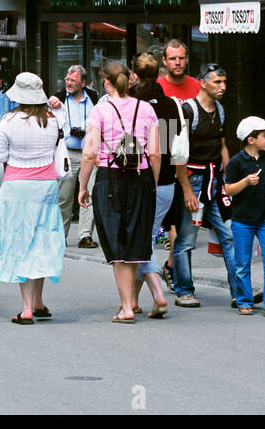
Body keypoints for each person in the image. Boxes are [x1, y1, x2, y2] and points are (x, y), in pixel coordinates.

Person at [78, 59, 163, 323]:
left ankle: (126, 306)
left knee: (116, 243)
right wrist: (153, 183)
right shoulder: (147, 109)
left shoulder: (100, 111)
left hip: (110, 177)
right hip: (141, 177)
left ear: (106, 82)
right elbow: (156, 152)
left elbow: (90, 153)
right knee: (136, 240)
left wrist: (82, 185)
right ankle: (129, 303)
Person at [0, 72, 67, 324]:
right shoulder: (52, 121)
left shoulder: (9, 121)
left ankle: (27, 308)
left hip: (16, 185)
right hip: (46, 185)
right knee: (41, 238)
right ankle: (39, 302)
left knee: (21, 241)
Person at [171, 63, 242, 309]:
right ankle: (184, 290)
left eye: (224, 82)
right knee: (187, 238)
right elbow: (177, 153)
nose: (223, 87)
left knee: (230, 236)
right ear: (203, 82)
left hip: (216, 180)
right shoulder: (188, 110)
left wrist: (230, 175)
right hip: (194, 179)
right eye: (217, 83)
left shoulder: (221, 110)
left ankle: (239, 292)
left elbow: (221, 145)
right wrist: (187, 189)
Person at [129, 54, 183, 307]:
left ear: (135, 75)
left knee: (142, 240)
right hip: (167, 179)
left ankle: (152, 294)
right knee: (147, 237)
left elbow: (130, 143)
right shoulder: (171, 104)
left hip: (139, 177)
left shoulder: (132, 103)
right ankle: (132, 299)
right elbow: (177, 143)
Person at [222, 117, 265, 316]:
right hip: (242, 219)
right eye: (264, 135)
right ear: (251, 140)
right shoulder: (236, 162)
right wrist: (245, 182)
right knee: (242, 263)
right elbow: (228, 189)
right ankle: (243, 300)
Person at [55, 65, 99, 249]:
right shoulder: (58, 98)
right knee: (64, 196)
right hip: (69, 152)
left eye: (73, 80)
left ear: (83, 82)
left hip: (90, 152)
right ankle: (60, 235)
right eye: (67, 79)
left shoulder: (94, 97)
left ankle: (85, 235)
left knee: (89, 194)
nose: (68, 83)